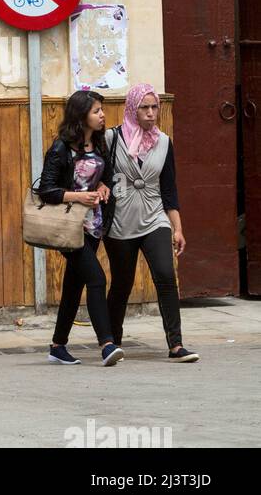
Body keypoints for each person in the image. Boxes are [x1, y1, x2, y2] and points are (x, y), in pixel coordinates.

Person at [104, 84, 198, 362]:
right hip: (120, 222)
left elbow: (169, 190)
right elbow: (98, 173)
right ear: (133, 109)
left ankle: (176, 345)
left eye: (154, 107)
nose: (150, 113)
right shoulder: (112, 138)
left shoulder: (164, 142)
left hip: (155, 218)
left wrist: (177, 228)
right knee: (122, 283)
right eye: (144, 108)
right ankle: (112, 343)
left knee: (166, 276)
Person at [39, 90, 121, 366]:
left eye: (102, 110)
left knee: (74, 285)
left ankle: (57, 346)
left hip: (93, 225)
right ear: (81, 115)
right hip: (68, 227)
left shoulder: (98, 144)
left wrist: (103, 187)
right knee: (97, 278)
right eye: (96, 111)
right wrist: (78, 196)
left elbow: (106, 176)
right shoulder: (61, 148)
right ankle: (107, 344)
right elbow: (47, 190)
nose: (102, 115)